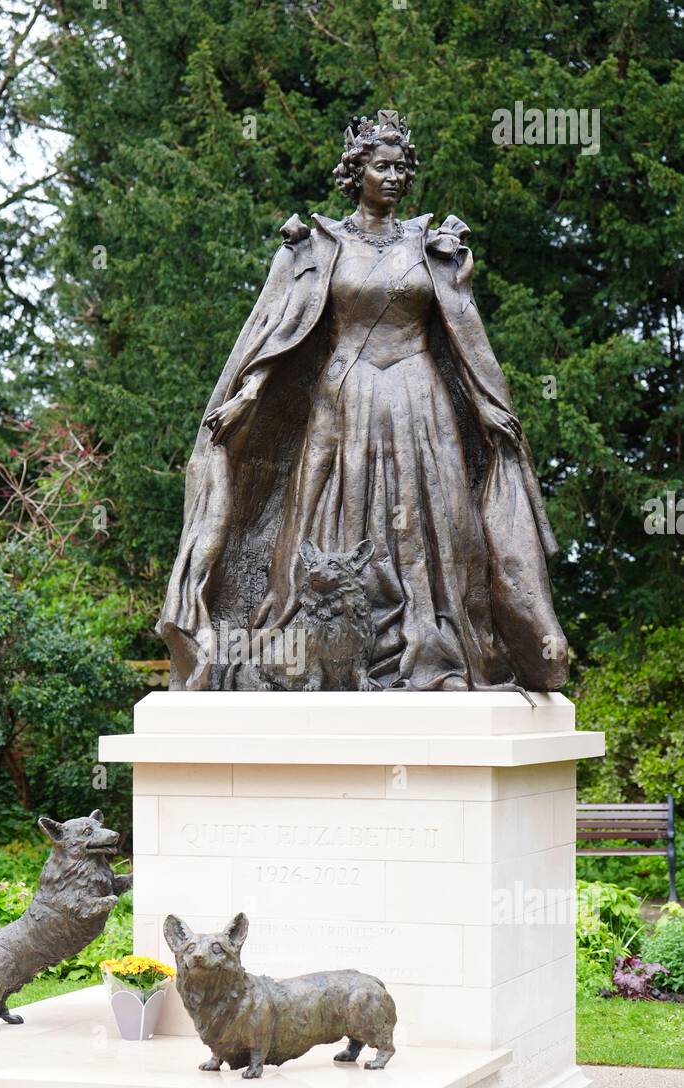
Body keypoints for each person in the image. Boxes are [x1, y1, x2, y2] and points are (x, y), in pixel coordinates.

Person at [158, 110, 568, 693]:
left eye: (403, 167)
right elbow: (280, 329)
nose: (394, 176)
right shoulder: (318, 246)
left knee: (442, 520)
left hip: (421, 399)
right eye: (382, 166)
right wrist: (247, 393)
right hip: (343, 398)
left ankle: (438, 642)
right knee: (335, 515)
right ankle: (331, 649)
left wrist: (486, 400)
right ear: (355, 174)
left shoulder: (435, 246)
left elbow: (464, 334)